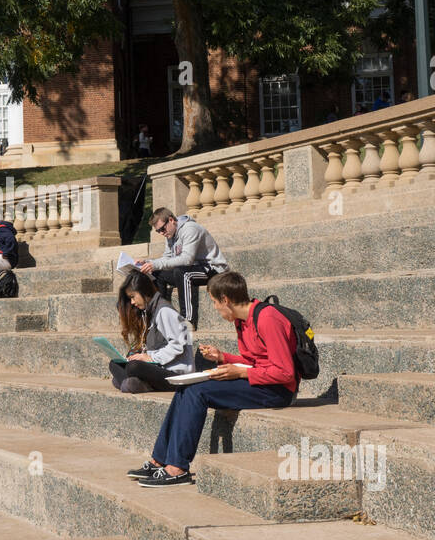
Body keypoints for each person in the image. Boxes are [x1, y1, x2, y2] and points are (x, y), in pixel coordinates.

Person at [129, 271, 298, 487]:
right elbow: (254, 360)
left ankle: (177, 468)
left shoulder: (267, 319)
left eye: (214, 303)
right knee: (187, 387)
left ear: (225, 300)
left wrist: (240, 372)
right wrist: (223, 357)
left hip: (278, 391)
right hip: (261, 381)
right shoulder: (242, 320)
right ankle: (160, 459)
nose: (216, 308)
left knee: (197, 391)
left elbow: (285, 372)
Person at [135, 207, 228, 329]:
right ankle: (160, 315)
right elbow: (167, 258)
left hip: (213, 268)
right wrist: (148, 263)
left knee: (183, 273)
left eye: (162, 229)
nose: (162, 233)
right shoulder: (170, 234)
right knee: (158, 273)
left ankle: (189, 320)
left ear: (171, 220)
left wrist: (155, 264)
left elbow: (187, 259)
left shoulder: (190, 229)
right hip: (193, 268)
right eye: (158, 232)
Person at [110, 270, 195, 393]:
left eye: (133, 297)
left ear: (143, 291)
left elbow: (178, 345)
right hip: (160, 367)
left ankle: (135, 384)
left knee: (134, 367)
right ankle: (134, 383)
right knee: (115, 363)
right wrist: (137, 355)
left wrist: (149, 357)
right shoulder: (149, 311)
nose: (132, 302)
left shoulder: (164, 311)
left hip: (176, 375)